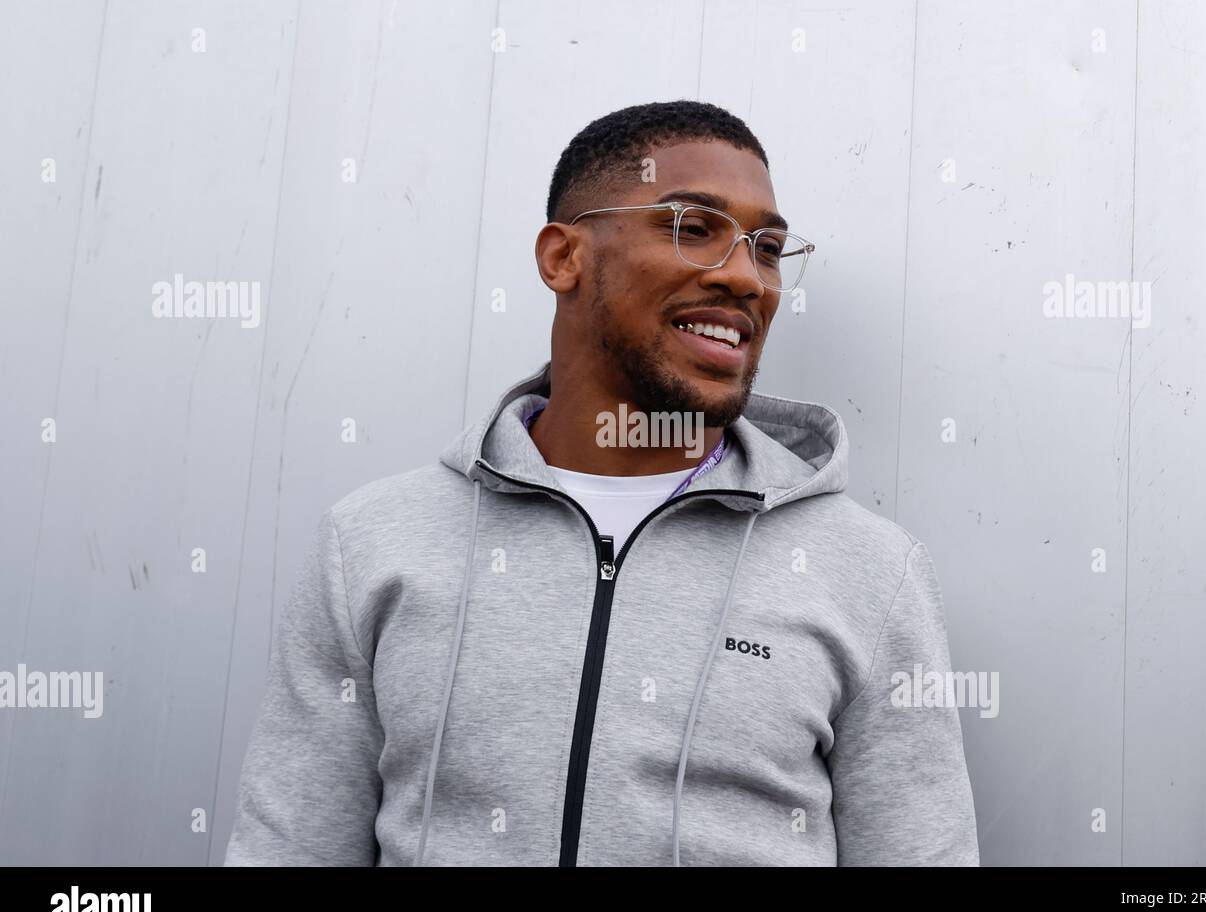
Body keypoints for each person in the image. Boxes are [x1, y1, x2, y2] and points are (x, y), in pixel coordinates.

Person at [225, 100, 978, 866]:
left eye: (769, 248)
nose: (746, 277)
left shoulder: (869, 572)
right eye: (693, 228)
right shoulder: (375, 542)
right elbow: (289, 848)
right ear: (563, 258)